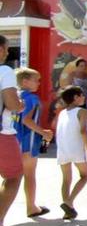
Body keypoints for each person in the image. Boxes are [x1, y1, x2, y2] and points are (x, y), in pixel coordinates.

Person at [14, 68, 53, 218]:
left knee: (12, 176)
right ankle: (31, 206)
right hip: (27, 141)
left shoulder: (12, 96)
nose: (39, 83)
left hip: (12, 140)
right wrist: (44, 132)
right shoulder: (31, 99)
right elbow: (27, 120)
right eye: (36, 80)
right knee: (28, 175)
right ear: (25, 81)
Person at [56, 86, 87, 220]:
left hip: (63, 149)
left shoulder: (62, 112)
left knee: (66, 179)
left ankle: (68, 210)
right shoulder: (82, 111)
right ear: (75, 97)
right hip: (77, 148)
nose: (84, 97)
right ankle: (69, 202)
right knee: (85, 175)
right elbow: (83, 130)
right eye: (82, 95)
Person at [0, 35, 24, 226]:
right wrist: (20, 104)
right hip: (2, 134)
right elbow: (12, 104)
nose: (8, 53)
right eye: (6, 49)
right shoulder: (4, 71)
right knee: (13, 177)